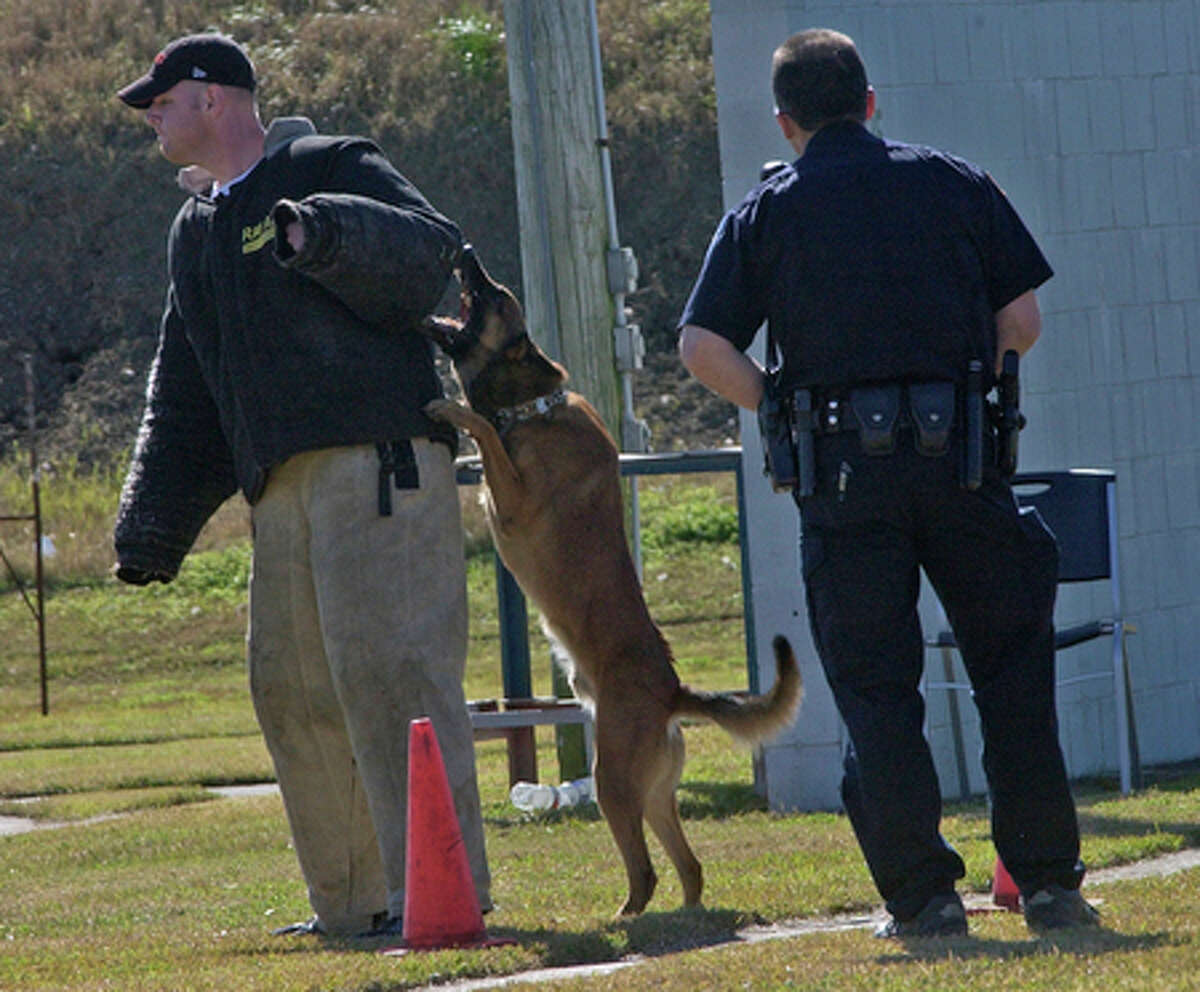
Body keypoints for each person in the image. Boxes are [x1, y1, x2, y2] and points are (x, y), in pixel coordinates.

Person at [678, 28, 1100, 938]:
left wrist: (775, 404)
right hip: (964, 466)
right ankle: (1051, 884)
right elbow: (1021, 318)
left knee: (878, 691)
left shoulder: (767, 211)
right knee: (1011, 674)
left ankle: (924, 898)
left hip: (842, 483)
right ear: (871, 103)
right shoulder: (953, 181)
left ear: (787, 122)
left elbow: (702, 347)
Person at [112, 32, 491, 938]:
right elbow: (187, 377)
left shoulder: (328, 163)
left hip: (379, 462)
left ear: (213, 97)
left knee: (391, 676)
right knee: (292, 691)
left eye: (162, 99)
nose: (152, 116)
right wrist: (150, 526)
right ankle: (353, 904)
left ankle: (443, 896)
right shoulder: (196, 226)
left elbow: (430, 252)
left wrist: (322, 230)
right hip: (276, 489)